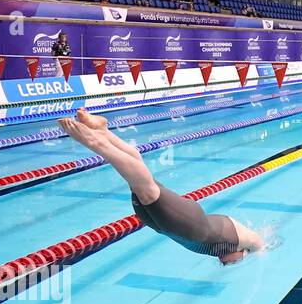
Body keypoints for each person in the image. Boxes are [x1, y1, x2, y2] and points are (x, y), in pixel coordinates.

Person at [57, 109, 265, 263]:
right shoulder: (251, 241)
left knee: (139, 179)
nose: (227, 264)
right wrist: (261, 253)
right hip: (192, 227)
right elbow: (260, 248)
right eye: (237, 261)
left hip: (168, 227)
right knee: (147, 189)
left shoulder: (230, 244)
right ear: (244, 251)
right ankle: (96, 142)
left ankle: (102, 130)